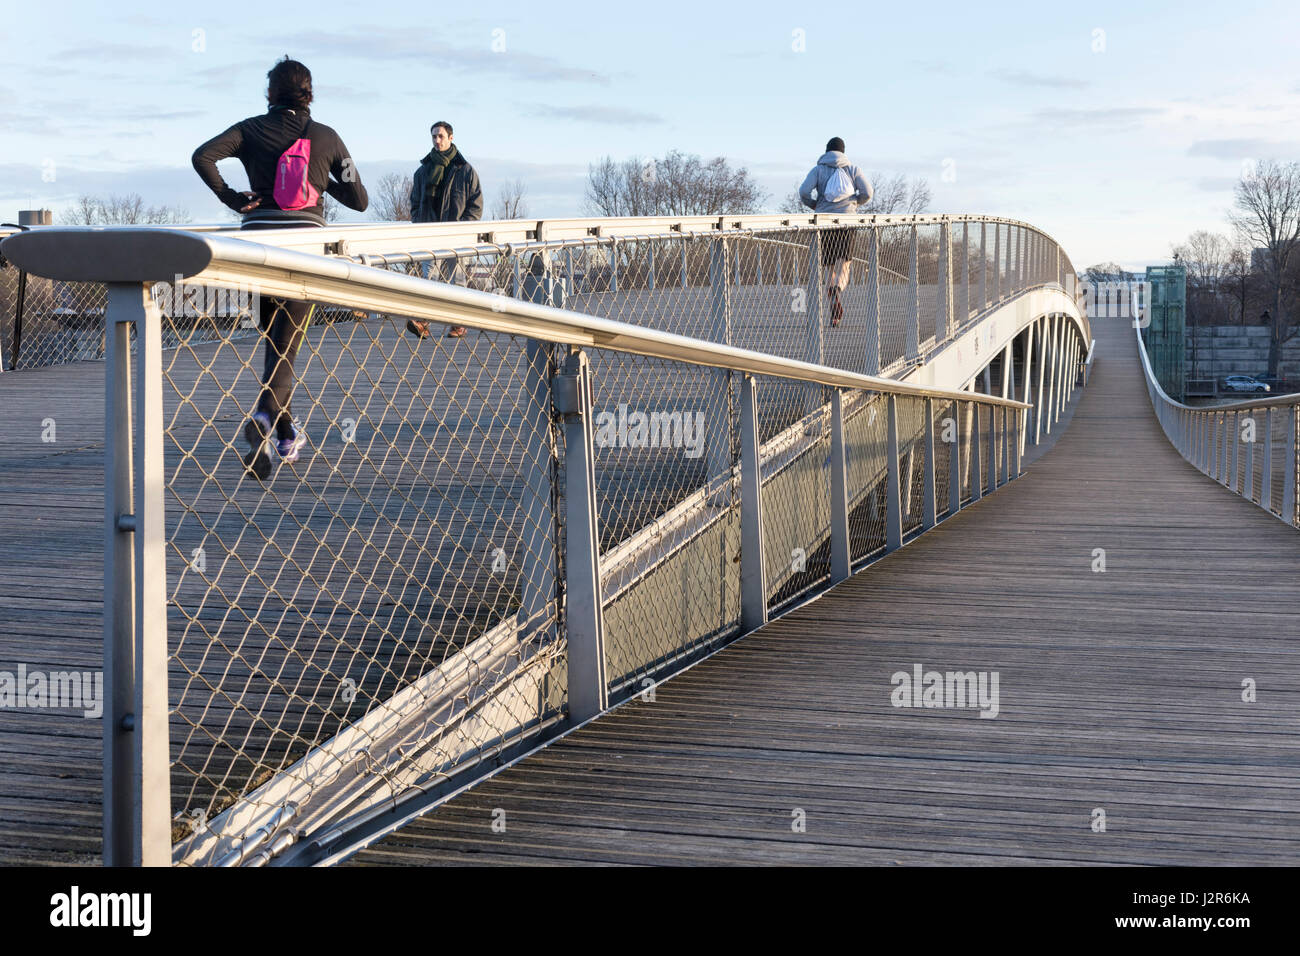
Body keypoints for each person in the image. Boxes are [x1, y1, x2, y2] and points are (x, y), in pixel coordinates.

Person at [192, 56, 368, 480]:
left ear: (270, 93)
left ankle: (286, 435)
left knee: (276, 343)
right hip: (303, 250)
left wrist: (233, 198)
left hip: (256, 249)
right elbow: (359, 198)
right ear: (310, 93)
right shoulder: (327, 137)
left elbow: (202, 156)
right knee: (287, 346)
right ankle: (264, 417)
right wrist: (320, 177)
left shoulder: (249, 129)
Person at [406, 121, 483, 340]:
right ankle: (422, 321)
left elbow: (476, 204)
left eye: (440, 136)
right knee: (427, 278)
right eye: (434, 137)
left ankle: (458, 323)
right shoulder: (423, 171)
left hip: (455, 235)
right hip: (429, 233)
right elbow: (414, 202)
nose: (437, 140)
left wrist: (464, 228)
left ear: (451, 138)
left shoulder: (465, 170)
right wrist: (417, 222)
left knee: (456, 279)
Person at [799, 137, 873, 327]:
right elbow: (867, 193)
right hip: (847, 222)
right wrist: (855, 203)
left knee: (829, 266)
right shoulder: (852, 169)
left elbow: (804, 192)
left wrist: (816, 205)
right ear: (843, 152)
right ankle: (837, 289)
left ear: (826, 151)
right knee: (844, 265)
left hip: (825, 223)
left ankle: (832, 294)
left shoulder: (818, 169)